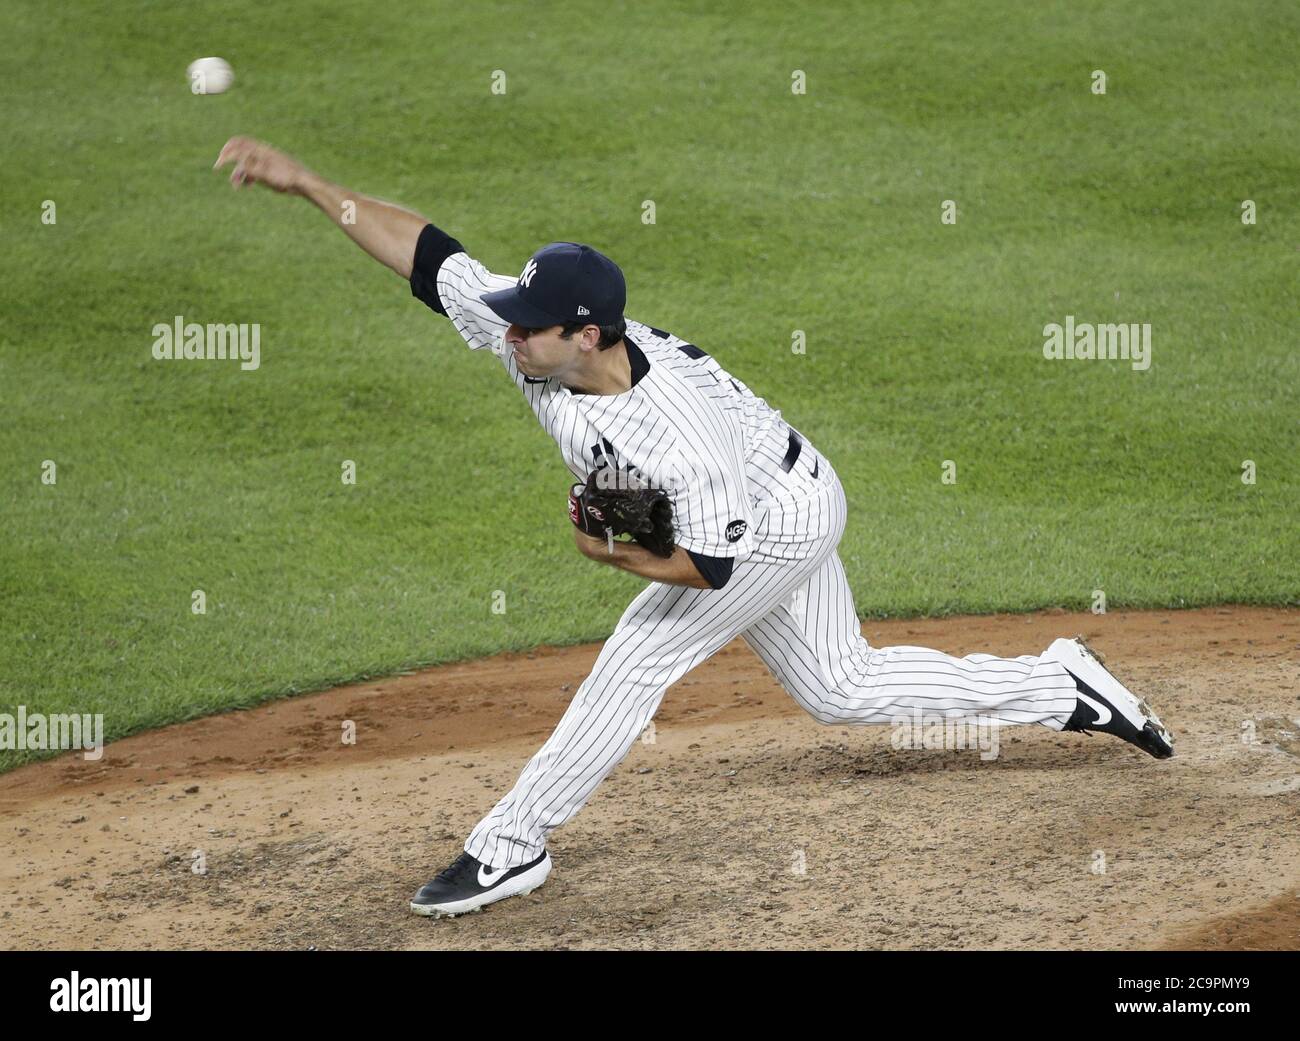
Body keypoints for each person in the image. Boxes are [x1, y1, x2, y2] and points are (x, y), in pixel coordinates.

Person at [213, 137, 1175, 920]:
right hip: (772, 490)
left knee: (633, 662)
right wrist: (307, 185)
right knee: (841, 687)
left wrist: (609, 551)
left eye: (529, 328)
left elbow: (709, 565)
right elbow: (430, 256)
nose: (509, 335)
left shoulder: (679, 440)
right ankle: (1063, 683)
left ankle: (510, 845)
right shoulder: (543, 343)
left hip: (773, 521)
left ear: (586, 334)